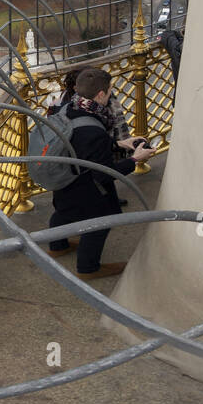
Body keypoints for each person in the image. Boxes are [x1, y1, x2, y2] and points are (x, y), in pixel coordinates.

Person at [45, 66, 145, 278]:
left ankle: (57, 245)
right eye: (109, 90)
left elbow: (83, 144)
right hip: (87, 189)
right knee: (100, 223)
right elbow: (104, 174)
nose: (111, 93)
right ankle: (88, 268)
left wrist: (119, 144)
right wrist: (135, 159)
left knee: (63, 211)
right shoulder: (94, 129)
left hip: (64, 179)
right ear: (101, 94)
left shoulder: (67, 109)